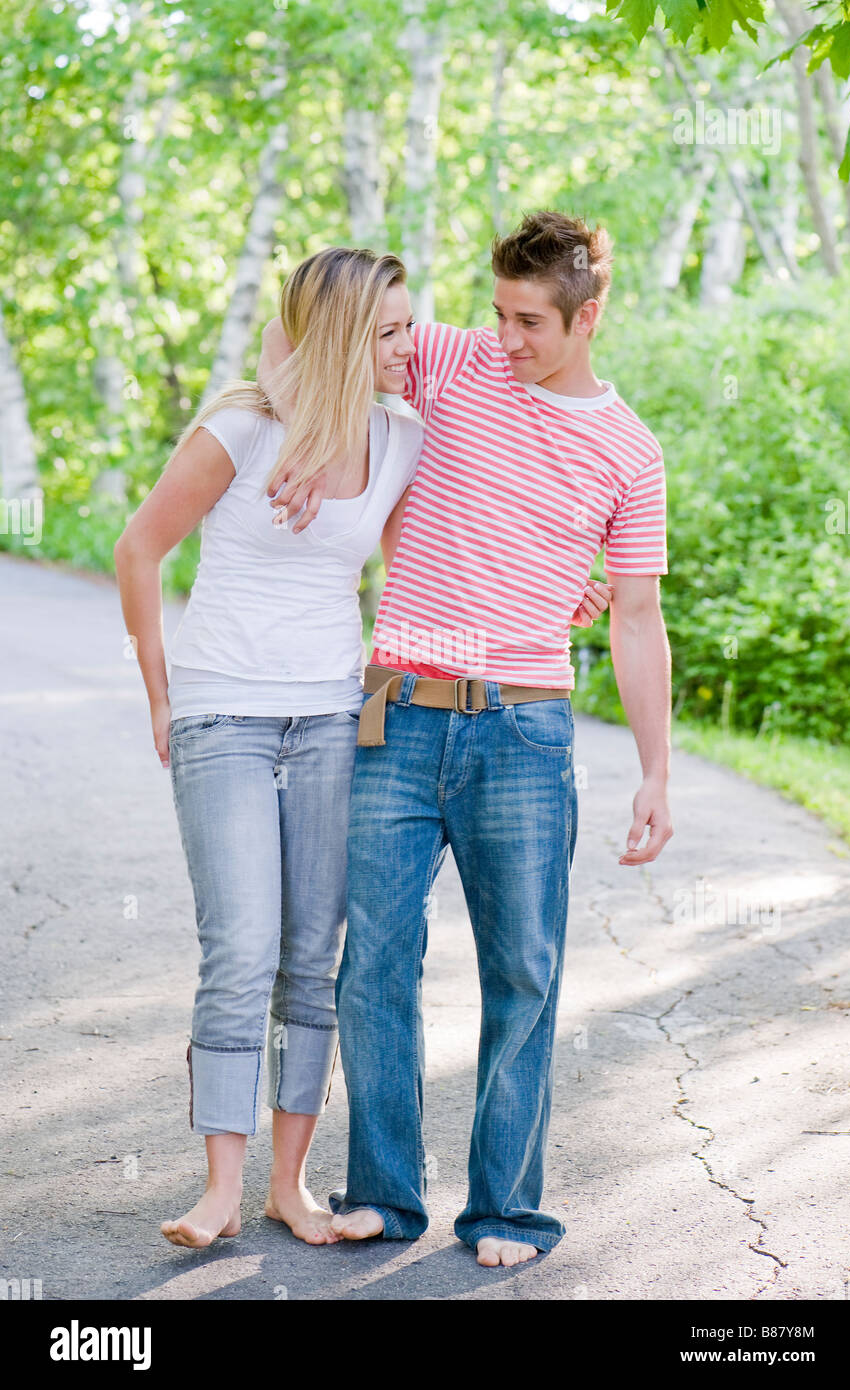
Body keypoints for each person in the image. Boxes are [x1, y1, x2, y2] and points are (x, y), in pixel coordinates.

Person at [257, 209, 672, 1268]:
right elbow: (302, 334)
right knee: (374, 966)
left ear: (588, 316)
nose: (506, 339)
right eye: (496, 312)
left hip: (523, 729)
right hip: (393, 713)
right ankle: (386, 1196)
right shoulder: (452, 359)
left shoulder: (630, 452)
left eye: (530, 321)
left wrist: (656, 771)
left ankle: (504, 1210)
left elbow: (633, 614)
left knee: (523, 974)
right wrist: (305, 436)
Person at [113, 247, 429, 1248]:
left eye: (409, 324)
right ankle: (217, 1188)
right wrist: (163, 694)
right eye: (387, 330)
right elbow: (138, 548)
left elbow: (457, 535)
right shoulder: (241, 427)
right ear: (339, 337)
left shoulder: (398, 436)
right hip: (224, 715)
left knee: (308, 957)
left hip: (335, 715)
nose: (407, 345)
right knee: (240, 949)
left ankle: (288, 1186)